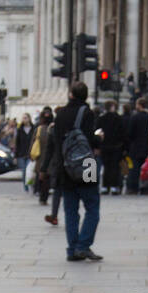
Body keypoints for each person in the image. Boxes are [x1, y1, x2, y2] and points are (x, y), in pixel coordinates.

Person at [51, 81, 103, 261]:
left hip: (66, 168)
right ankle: (83, 245)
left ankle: (72, 249)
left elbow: (56, 142)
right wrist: (98, 140)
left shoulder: (60, 114)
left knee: (71, 211)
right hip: (87, 166)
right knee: (92, 208)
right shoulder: (87, 113)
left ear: (71, 94)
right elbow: (89, 140)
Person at [98, 100, 126, 195]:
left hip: (104, 145)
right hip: (116, 146)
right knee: (114, 166)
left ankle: (105, 186)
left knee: (106, 166)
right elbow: (123, 133)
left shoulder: (101, 118)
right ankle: (114, 186)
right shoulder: (118, 118)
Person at [126, 96, 148, 195]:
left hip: (135, 147)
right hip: (146, 146)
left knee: (134, 169)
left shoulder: (135, 117)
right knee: (146, 168)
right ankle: (145, 188)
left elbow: (130, 133)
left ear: (139, 105)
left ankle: (133, 188)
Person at [15, 113, 34, 192]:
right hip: (21, 154)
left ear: (29, 118)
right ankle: (25, 186)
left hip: (31, 153)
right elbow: (17, 143)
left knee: (30, 170)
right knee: (24, 171)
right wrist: (16, 156)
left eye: (26, 118)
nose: (24, 119)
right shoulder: (20, 130)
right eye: (23, 118)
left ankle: (31, 184)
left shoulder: (34, 129)